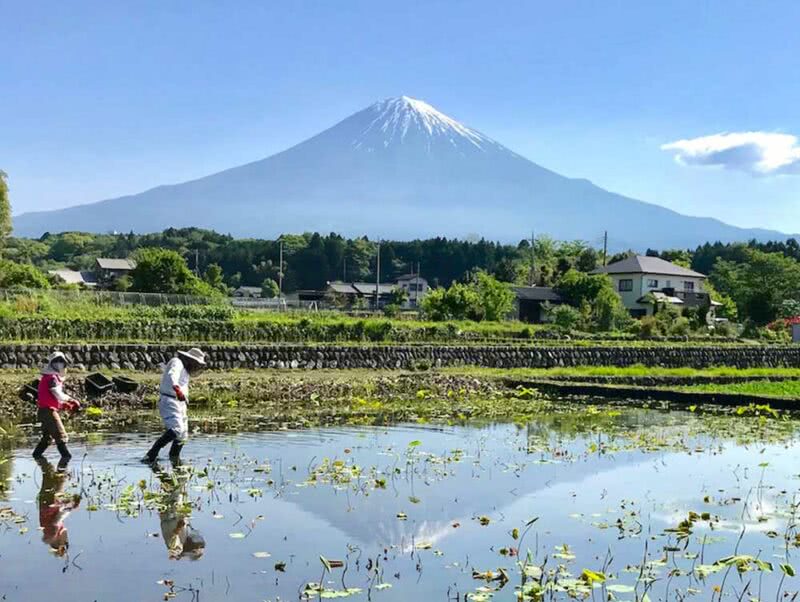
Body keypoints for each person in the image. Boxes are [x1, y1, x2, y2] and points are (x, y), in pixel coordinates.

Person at [143, 347, 206, 463]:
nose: (196, 366)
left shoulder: (185, 370)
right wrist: (177, 390)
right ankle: (150, 455)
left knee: (183, 435)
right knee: (177, 429)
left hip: (180, 403)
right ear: (190, 360)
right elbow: (173, 375)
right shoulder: (177, 362)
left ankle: (174, 458)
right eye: (195, 363)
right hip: (170, 400)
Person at [32, 351, 81, 466]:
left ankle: (37, 457)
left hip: (45, 411)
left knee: (47, 438)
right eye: (56, 361)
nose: (59, 364)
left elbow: (54, 397)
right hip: (48, 412)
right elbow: (57, 393)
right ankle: (66, 460)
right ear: (52, 363)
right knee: (61, 436)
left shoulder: (51, 377)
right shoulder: (51, 378)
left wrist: (64, 404)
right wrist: (71, 399)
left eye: (61, 361)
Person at [37, 457, 81, 557]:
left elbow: (57, 519)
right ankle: (41, 458)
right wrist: (69, 503)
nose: (66, 539)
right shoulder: (52, 533)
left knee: (60, 478)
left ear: (58, 543)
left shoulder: (53, 533)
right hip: (47, 503)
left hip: (49, 502)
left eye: (64, 542)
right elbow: (58, 513)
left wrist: (70, 508)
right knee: (50, 476)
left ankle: (48, 456)